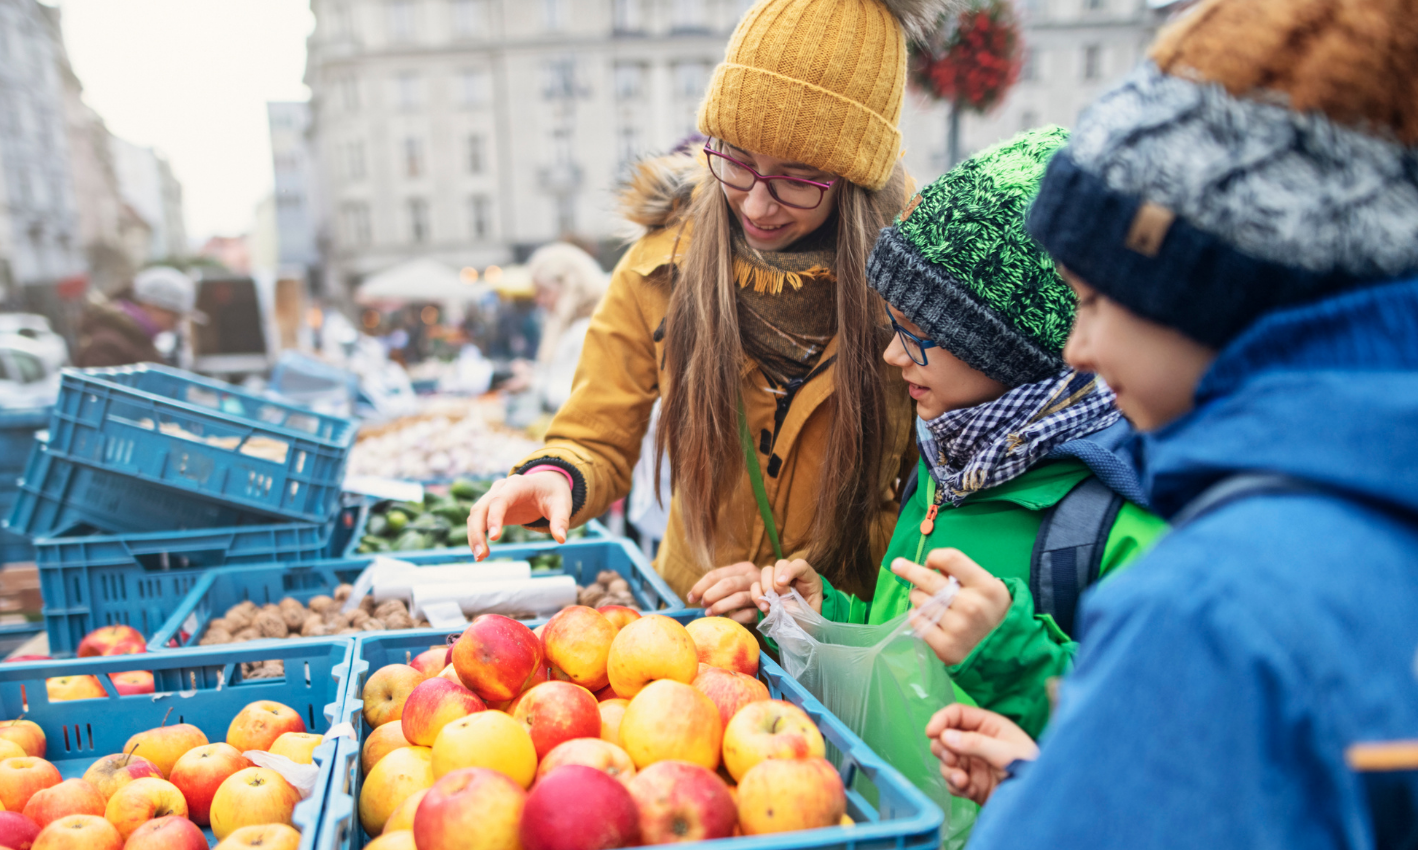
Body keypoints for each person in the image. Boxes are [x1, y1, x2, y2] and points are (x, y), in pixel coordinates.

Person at [929, 0, 1418, 845]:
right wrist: (1061, 780)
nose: (1076, 347)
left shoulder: (1210, 608)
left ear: (1209, 292)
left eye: (1092, 300)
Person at [468, 0, 951, 603]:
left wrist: (828, 599)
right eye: (737, 162)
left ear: (851, 176)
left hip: (843, 634)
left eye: (797, 179)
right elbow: (596, 434)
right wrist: (554, 475)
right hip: (691, 624)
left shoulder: (917, 292)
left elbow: (940, 497)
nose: (755, 205)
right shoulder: (659, 266)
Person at [746, 128, 1167, 741]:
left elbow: (1152, 729)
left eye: (916, 333)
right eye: (893, 326)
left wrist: (1011, 656)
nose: (893, 354)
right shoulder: (949, 457)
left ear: (1008, 350)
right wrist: (827, 620)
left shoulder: (1118, 518)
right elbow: (908, 658)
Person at [519, 241, 609, 412]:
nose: (539, 301)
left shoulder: (587, 328)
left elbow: (583, 397)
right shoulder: (577, 325)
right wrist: (533, 373)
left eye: (544, 292)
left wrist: (532, 383)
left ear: (569, 286)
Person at [74, 266, 204, 368]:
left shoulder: (139, 339)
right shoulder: (108, 343)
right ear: (150, 305)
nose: (176, 323)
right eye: (174, 315)